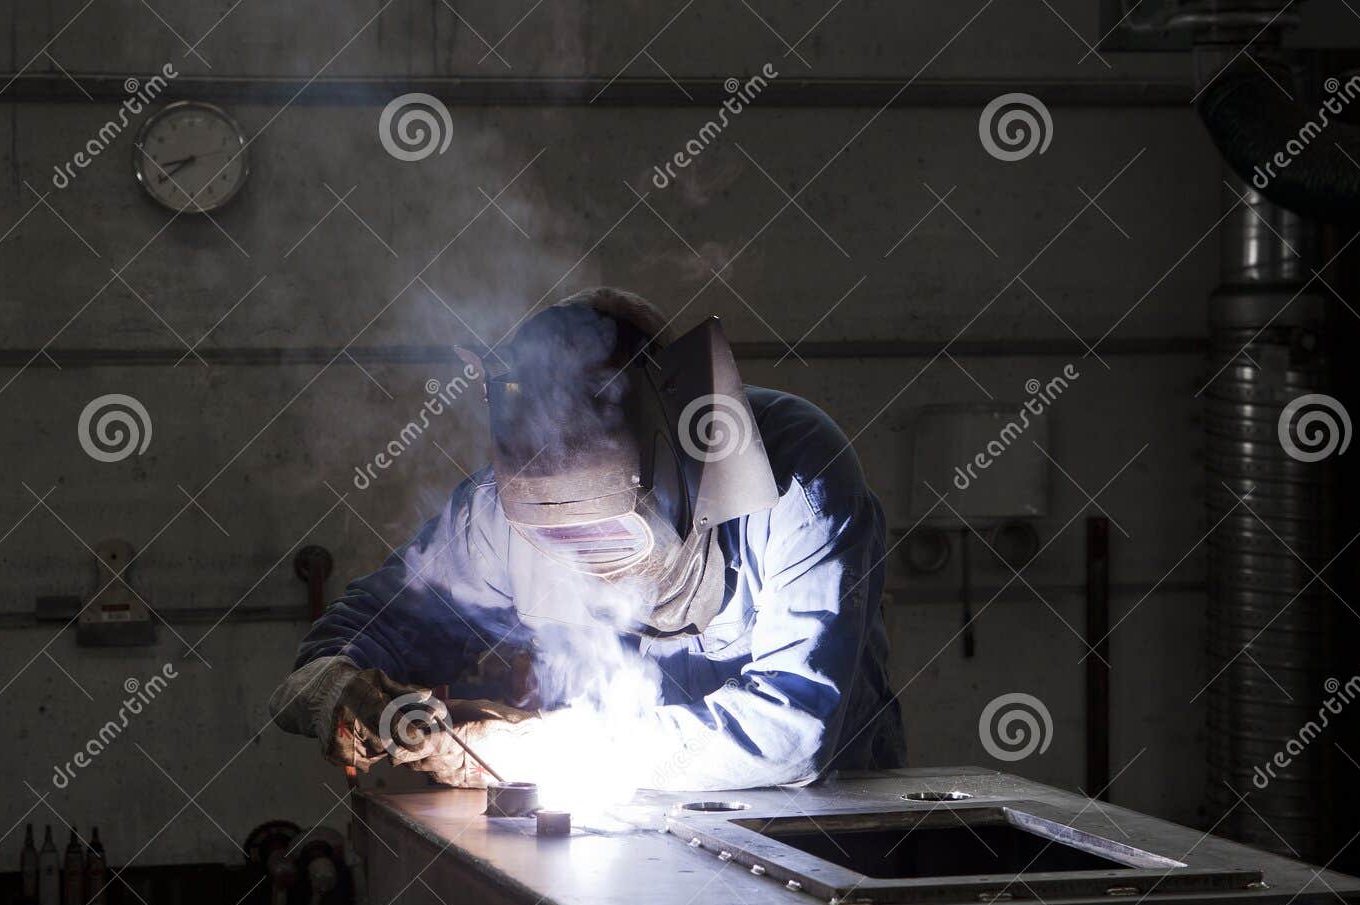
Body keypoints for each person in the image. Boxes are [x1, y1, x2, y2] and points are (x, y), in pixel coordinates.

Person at [268, 287, 903, 793]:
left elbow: (792, 732)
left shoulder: (791, 474)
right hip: (612, 830)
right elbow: (349, 642)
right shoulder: (500, 514)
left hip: (815, 829)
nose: (584, 556)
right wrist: (336, 688)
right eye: (555, 535)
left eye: (604, 525)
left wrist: (526, 750)